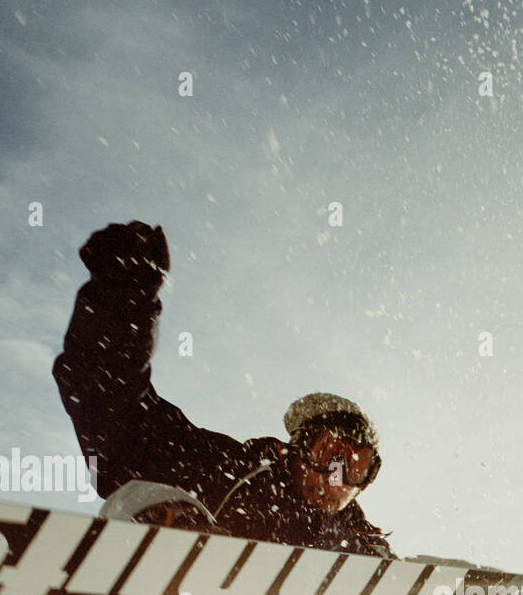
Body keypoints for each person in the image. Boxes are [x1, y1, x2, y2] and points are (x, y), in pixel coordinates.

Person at [52, 221, 393, 557]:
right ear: (298, 448)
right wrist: (122, 300)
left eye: (356, 467)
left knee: (371, 555)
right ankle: (171, 557)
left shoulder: (356, 537)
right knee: (142, 491)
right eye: (326, 453)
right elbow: (115, 412)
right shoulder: (229, 469)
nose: (337, 479)